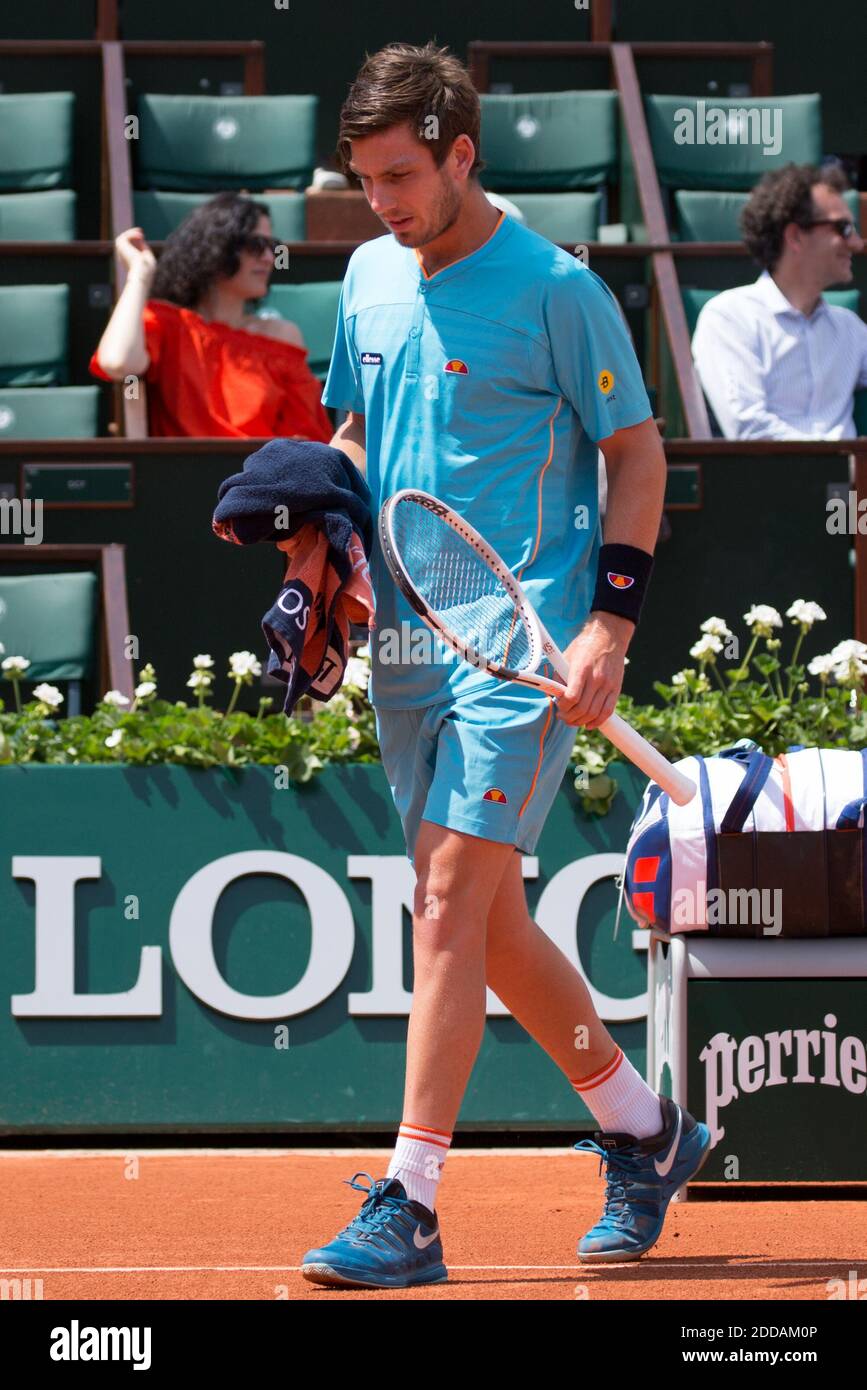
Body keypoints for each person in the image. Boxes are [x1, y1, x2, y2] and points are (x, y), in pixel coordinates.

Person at [300, 42, 710, 1290]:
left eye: (403, 176)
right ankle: (648, 1129)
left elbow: (638, 459)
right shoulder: (368, 276)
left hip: (519, 648)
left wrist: (607, 629)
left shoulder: (558, 288)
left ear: (462, 152)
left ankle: (411, 1202)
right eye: (366, 180)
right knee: (490, 922)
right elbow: (357, 431)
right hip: (409, 648)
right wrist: (323, 553)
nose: (384, 202)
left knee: (443, 911)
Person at [90, 192, 332, 441]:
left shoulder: (282, 336)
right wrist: (140, 274)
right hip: (184, 475)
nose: (269, 258)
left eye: (272, 247)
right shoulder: (166, 323)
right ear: (217, 246)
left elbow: (307, 438)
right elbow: (119, 363)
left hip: (260, 477)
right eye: (256, 245)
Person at [692, 163, 867, 440]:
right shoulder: (728, 317)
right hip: (772, 481)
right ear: (795, 236)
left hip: (851, 483)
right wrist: (838, 461)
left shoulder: (849, 327)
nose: (856, 243)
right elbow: (748, 429)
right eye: (843, 228)